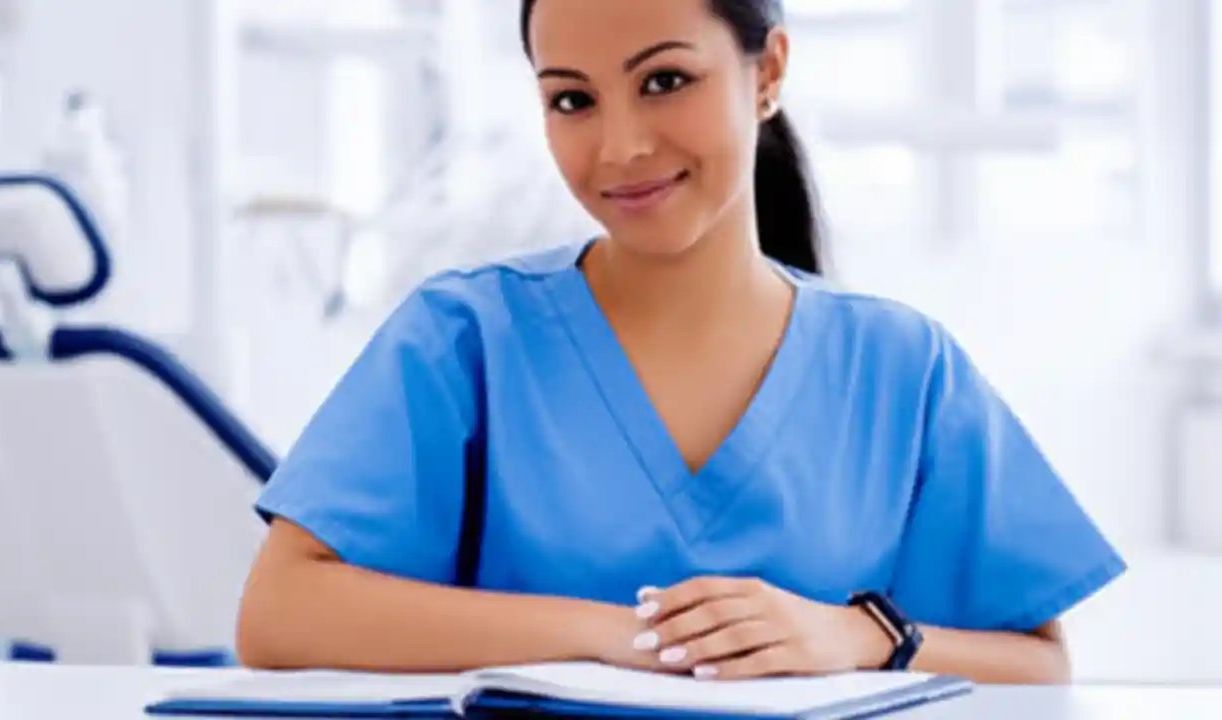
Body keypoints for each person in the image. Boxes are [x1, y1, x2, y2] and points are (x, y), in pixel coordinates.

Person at [236, 0, 1125, 684]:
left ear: (767, 71)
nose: (620, 146)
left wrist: (856, 635)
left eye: (664, 81)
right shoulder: (465, 339)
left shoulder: (902, 367)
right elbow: (282, 614)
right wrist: (623, 637)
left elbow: (1038, 664)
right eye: (573, 99)